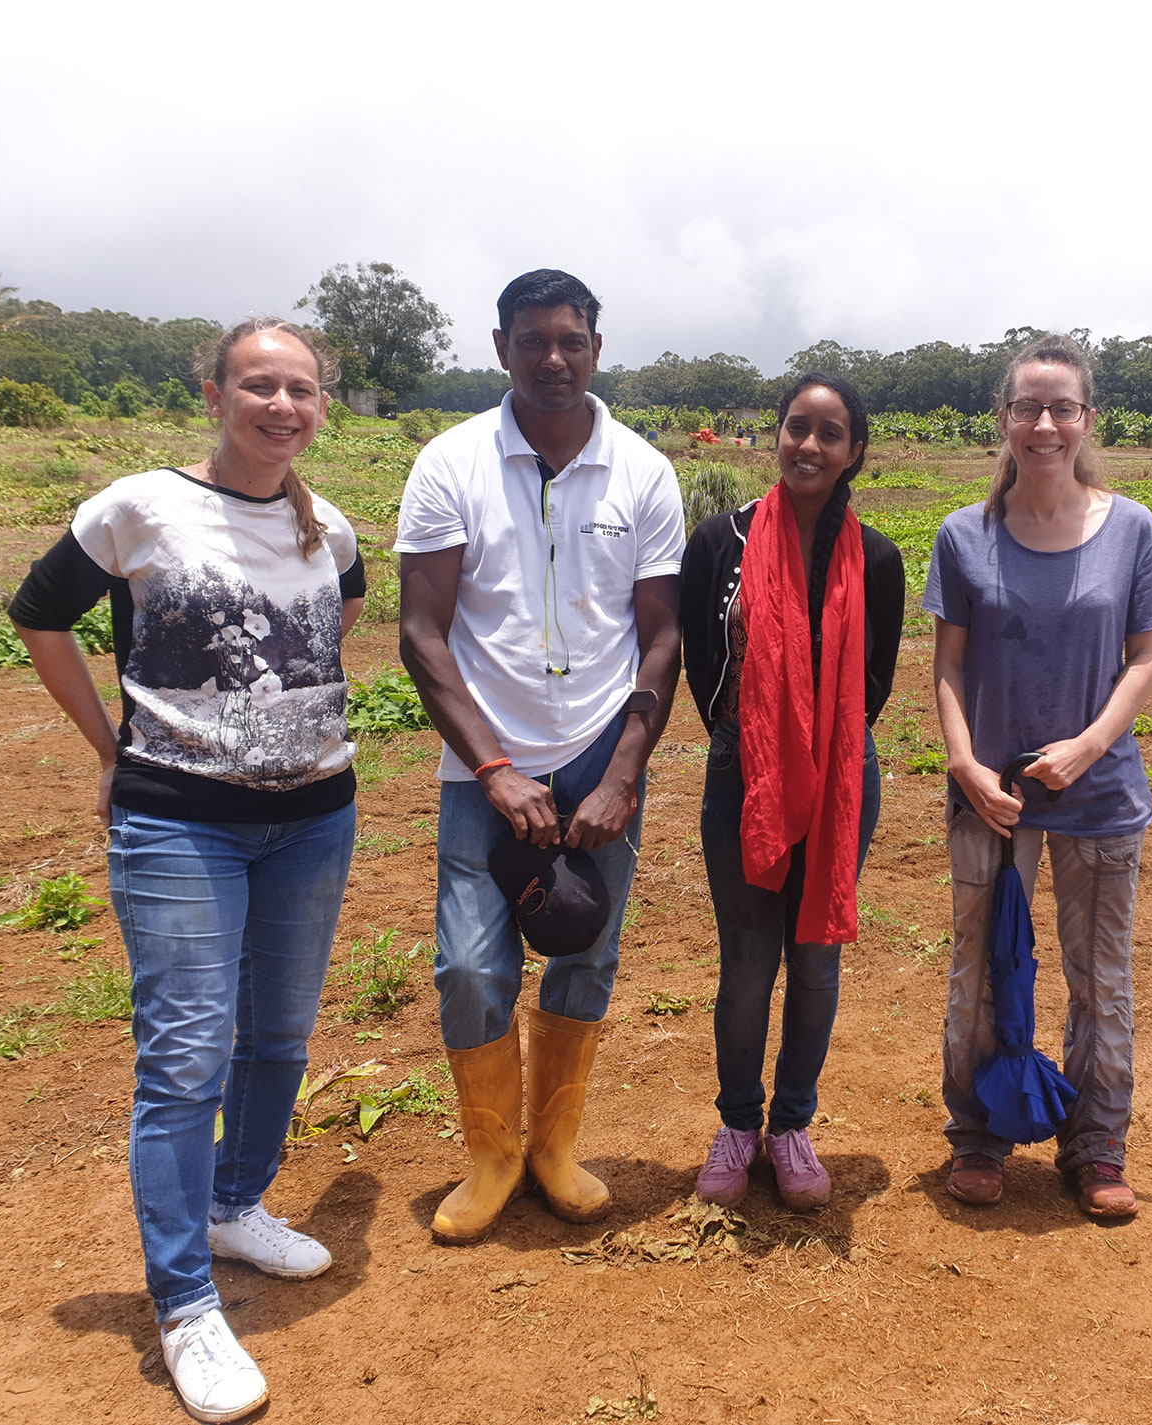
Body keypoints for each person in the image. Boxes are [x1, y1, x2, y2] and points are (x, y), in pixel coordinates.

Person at [9, 318, 365, 1422]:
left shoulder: (330, 525)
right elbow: (39, 614)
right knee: (184, 1059)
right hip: (179, 825)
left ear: (321, 404)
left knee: (280, 1035)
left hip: (314, 820)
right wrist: (110, 750)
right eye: (258, 385)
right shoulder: (140, 508)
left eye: (300, 389)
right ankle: (185, 1302)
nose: (281, 406)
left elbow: (340, 621)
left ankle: (234, 1203)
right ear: (214, 394)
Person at [396, 269, 684, 1242]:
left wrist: (622, 773)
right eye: (533, 341)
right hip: (484, 761)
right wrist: (494, 769)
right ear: (501, 348)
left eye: (570, 340)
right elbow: (423, 634)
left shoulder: (643, 471)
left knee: (585, 951)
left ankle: (554, 1150)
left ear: (596, 347)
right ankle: (492, 1157)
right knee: (470, 966)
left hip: (601, 752)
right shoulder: (451, 464)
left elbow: (661, 637)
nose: (553, 358)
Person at [926, 333, 1152, 1218]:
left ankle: (1096, 1141)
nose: (1045, 425)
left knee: (1100, 976)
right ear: (1004, 419)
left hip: (1099, 795)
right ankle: (979, 1131)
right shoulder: (965, 535)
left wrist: (1090, 744)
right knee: (980, 967)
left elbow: (1146, 656)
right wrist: (963, 761)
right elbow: (948, 664)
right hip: (991, 797)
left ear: (1087, 418)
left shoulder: (1134, 529)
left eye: (1062, 408)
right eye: (1028, 408)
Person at [681, 373, 905, 1210]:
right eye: (796, 426)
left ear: (854, 452)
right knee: (747, 962)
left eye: (829, 433)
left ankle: (792, 1126)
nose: (808, 445)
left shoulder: (877, 557)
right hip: (745, 769)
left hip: (844, 773)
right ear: (776, 434)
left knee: (815, 957)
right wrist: (761, 745)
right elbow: (702, 664)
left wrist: (819, 743)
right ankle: (739, 1124)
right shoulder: (722, 541)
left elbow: (875, 679)